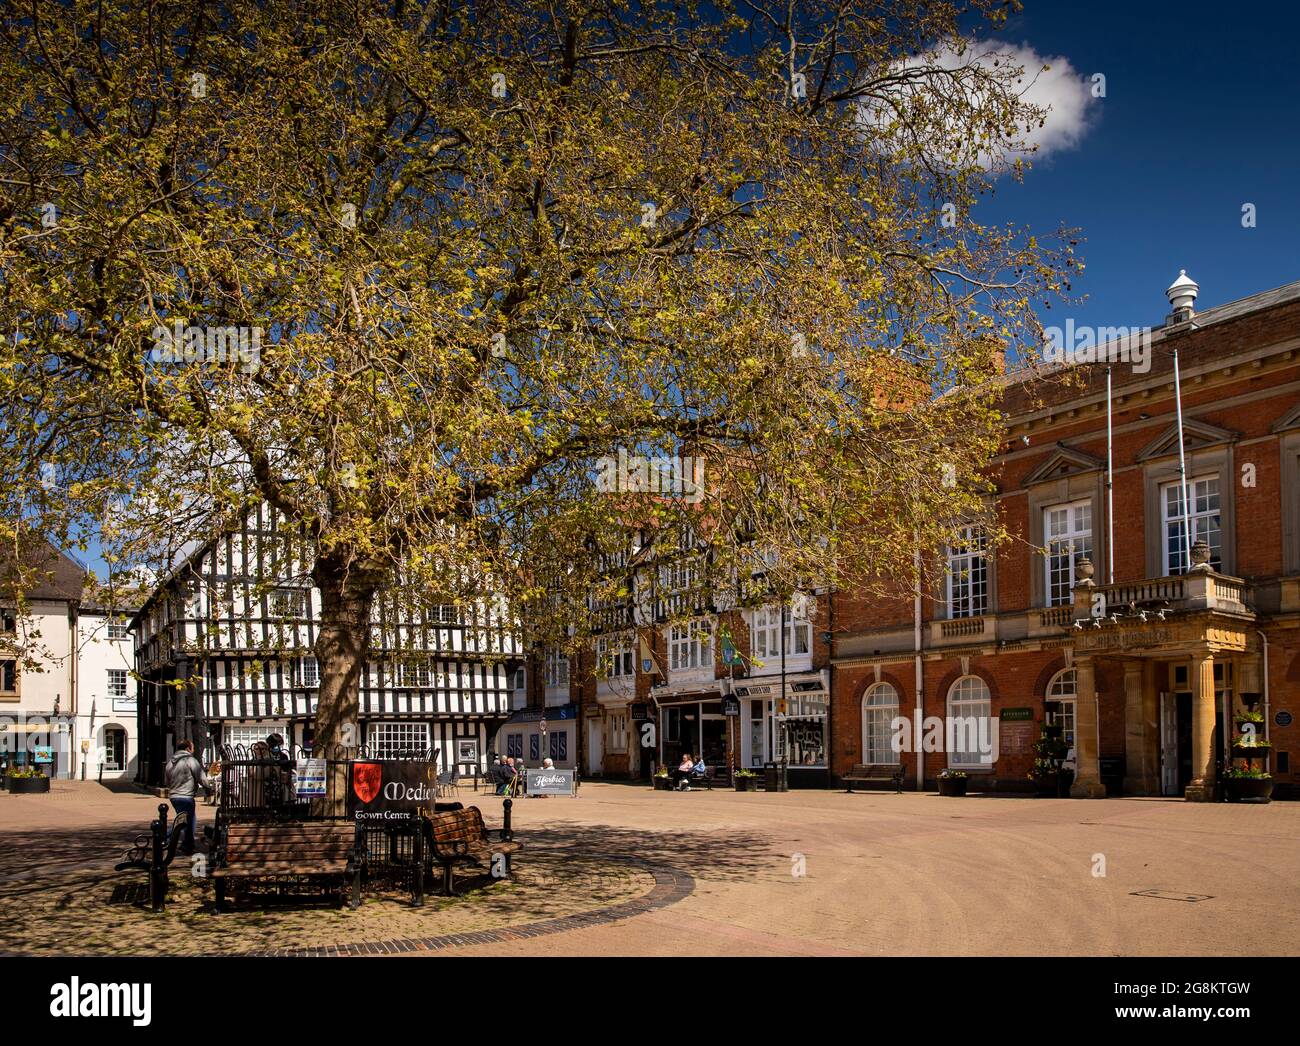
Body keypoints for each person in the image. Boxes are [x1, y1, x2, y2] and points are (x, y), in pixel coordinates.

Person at [164, 740, 213, 854]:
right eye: (193, 747)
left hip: (174, 796)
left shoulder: (170, 762)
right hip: (185, 796)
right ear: (188, 749)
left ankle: (185, 842)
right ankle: (169, 839)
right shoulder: (189, 760)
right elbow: (201, 776)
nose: (194, 750)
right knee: (187, 821)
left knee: (184, 819)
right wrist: (208, 788)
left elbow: (166, 781)